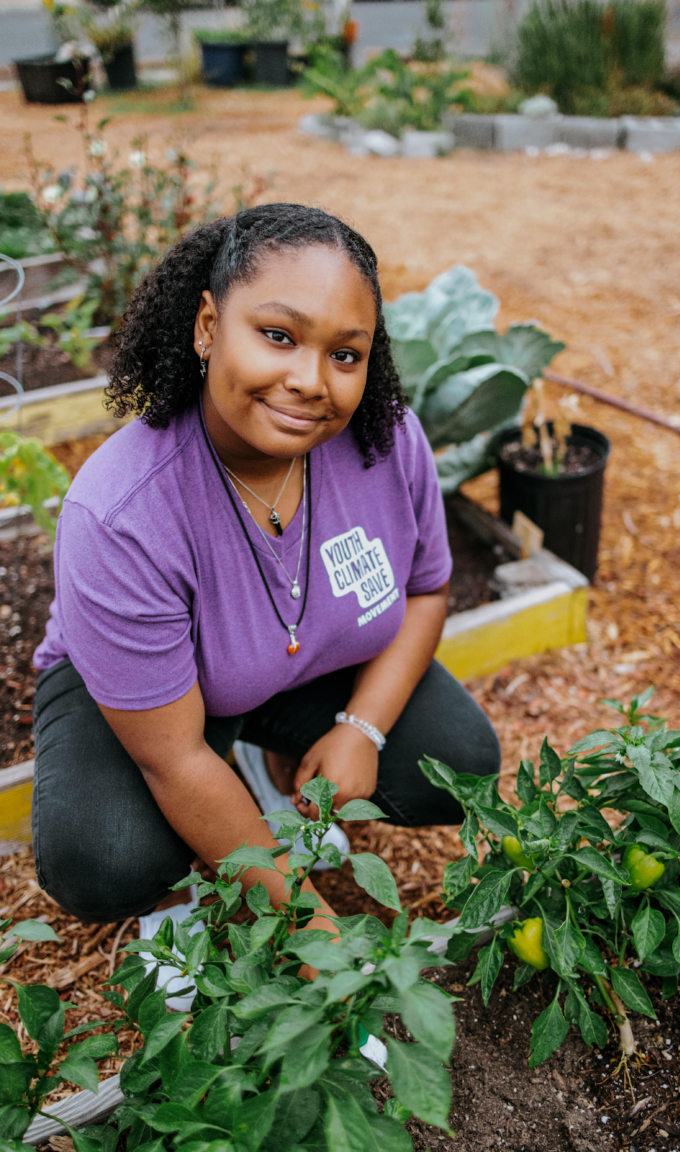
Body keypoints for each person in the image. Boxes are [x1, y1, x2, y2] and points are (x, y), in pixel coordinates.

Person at [31, 203, 501, 925]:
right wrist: (318, 937)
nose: (312, 380)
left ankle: (275, 774)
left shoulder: (386, 440)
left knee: (456, 762)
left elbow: (427, 590)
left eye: (345, 354)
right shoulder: (124, 513)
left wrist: (360, 731)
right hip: (155, 700)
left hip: (304, 661)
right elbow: (176, 760)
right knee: (108, 854)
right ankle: (180, 902)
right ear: (209, 327)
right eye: (278, 336)